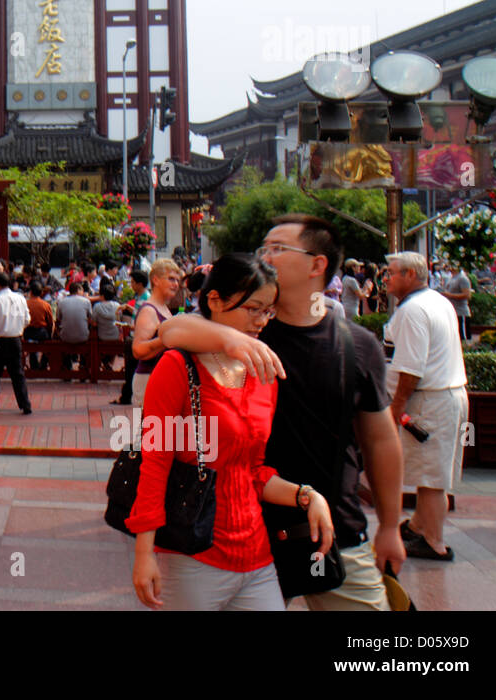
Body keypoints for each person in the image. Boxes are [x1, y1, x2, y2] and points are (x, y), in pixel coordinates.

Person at [158, 214, 406, 609]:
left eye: (278, 248)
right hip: (248, 530)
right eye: (263, 248)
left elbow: (380, 439)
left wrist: (391, 526)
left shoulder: (357, 345)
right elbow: (170, 332)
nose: (266, 256)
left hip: (332, 530)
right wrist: (229, 338)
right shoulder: (247, 329)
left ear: (317, 264)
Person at [129, 254, 335, 611]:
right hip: (194, 558)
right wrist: (144, 553)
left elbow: (253, 472)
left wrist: (306, 495)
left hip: (256, 556)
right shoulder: (178, 367)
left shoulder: (261, 373)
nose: (260, 321)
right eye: (253, 308)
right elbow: (155, 466)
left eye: (268, 311)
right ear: (215, 301)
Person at [384, 252, 469, 561]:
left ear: (409, 275)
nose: (385, 278)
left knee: (432, 478)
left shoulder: (413, 310)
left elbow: (411, 369)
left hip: (432, 400)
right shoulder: (437, 301)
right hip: (447, 396)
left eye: (390, 273)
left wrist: (396, 407)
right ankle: (420, 525)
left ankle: (433, 541)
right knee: (432, 472)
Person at [120, 258, 181, 408]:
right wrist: (167, 339)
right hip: (149, 379)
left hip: (160, 378)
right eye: (171, 279)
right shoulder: (149, 310)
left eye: (177, 280)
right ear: (156, 280)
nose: (176, 284)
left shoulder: (163, 308)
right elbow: (138, 349)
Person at [0, 270, 32, 414]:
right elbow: (27, 320)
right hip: (16, 339)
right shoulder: (20, 298)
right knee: (18, 373)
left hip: (0, 340)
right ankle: (25, 403)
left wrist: (0, 330)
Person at [56, 280, 92, 376]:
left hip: (66, 336)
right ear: (78, 290)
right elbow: (91, 318)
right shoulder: (86, 301)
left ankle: (67, 366)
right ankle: (83, 366)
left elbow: (58, 318)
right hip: (83, 336)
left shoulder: (62, 302)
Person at [438, 261, 472, 340]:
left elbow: (467, 295)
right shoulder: (451, 278)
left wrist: (449, 295)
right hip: (452, 312)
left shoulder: (463, 279)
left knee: (463, 337)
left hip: (461, 312)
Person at [25, 279, 53, 370]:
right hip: (42, 332)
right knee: (48, 341)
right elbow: (50, 322)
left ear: (31, 292)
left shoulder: (25, 304)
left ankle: (34, 364)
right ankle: (43, 364)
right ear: (41, 293)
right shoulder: (46, 305)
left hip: (28, 332)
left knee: (31, 344)